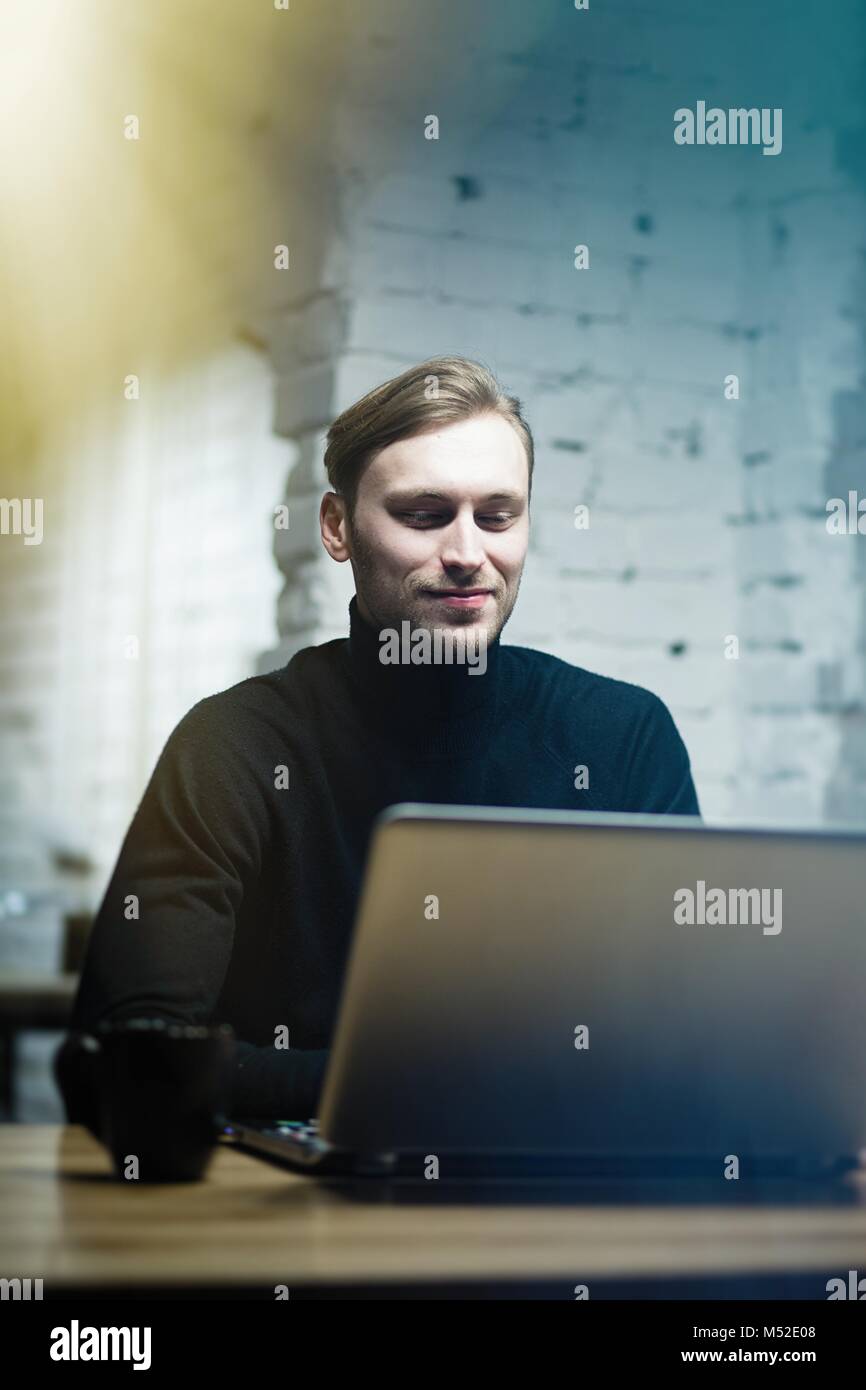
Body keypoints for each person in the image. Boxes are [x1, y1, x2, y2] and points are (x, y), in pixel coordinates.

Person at [57, 355, 700, 1123]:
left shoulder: (624, 736)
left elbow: (693, 1044)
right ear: (336, 527)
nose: (469, 554)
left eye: (498, 516)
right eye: (424, 515)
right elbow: (125, 1059)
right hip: (289, 1217)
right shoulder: (232, 746)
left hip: (558, 1208)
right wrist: (453, 1089)